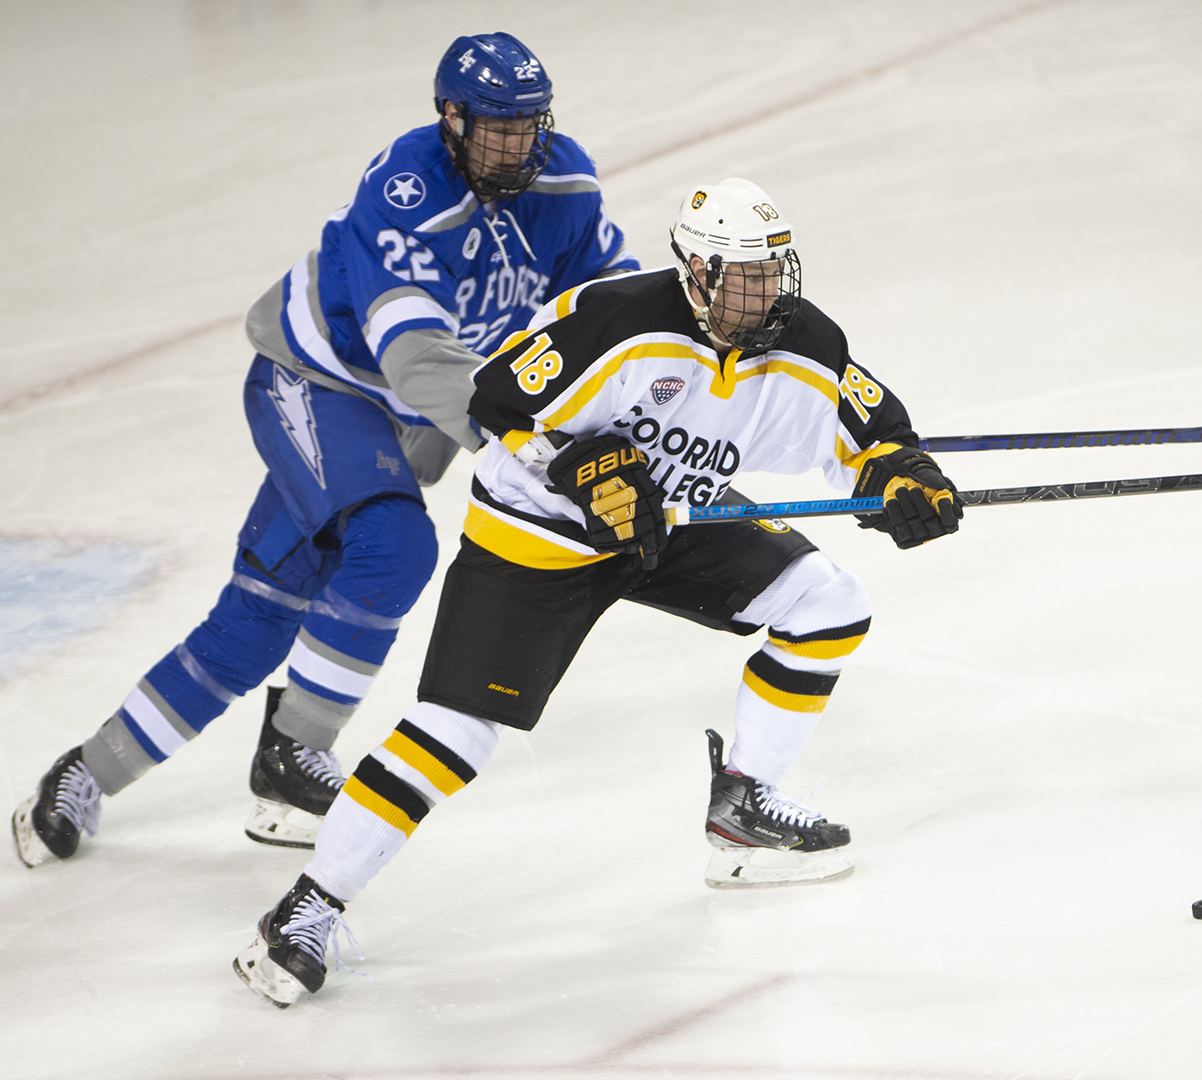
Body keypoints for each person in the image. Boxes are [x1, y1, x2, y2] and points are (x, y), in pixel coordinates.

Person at [232, 177, 964, 1007]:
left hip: (672, 515)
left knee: (827, 601)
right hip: (537, 535)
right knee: (458, 734)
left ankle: (745, 809)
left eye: (773, 272)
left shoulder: (805, 341)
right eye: (742, 275)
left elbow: (872, 431)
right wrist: (584, 466)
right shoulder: (613, 319)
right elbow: (498, 398)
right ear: (695, 272)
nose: (763, 293)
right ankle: (308, 907)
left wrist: (904, 477)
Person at [11, 32, 638, 867]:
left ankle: (88, 772)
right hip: (319, 383)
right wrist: (543, 451)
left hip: (408, 423)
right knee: (396, 544)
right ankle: (295, 748)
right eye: (495, 127)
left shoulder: (566, 180)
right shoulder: (408, 187)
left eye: (528, 127)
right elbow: (416, 359)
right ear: (450, 119)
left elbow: (610, 315)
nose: (515, 146)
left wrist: (644, 431)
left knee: (259, 618)